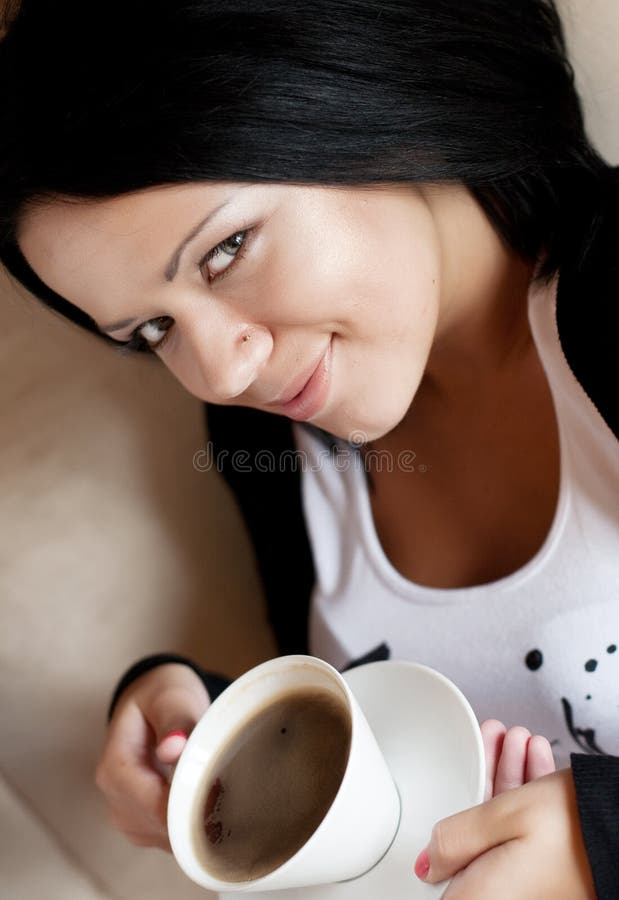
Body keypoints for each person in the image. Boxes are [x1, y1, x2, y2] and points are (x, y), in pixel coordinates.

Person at [1, 0, 618, 896]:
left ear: (363, 100)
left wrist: (597, 835)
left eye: (226, 251)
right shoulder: (271, 430)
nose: (214, 370)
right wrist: (196, 711)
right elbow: (378, 736)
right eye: (150, 330)